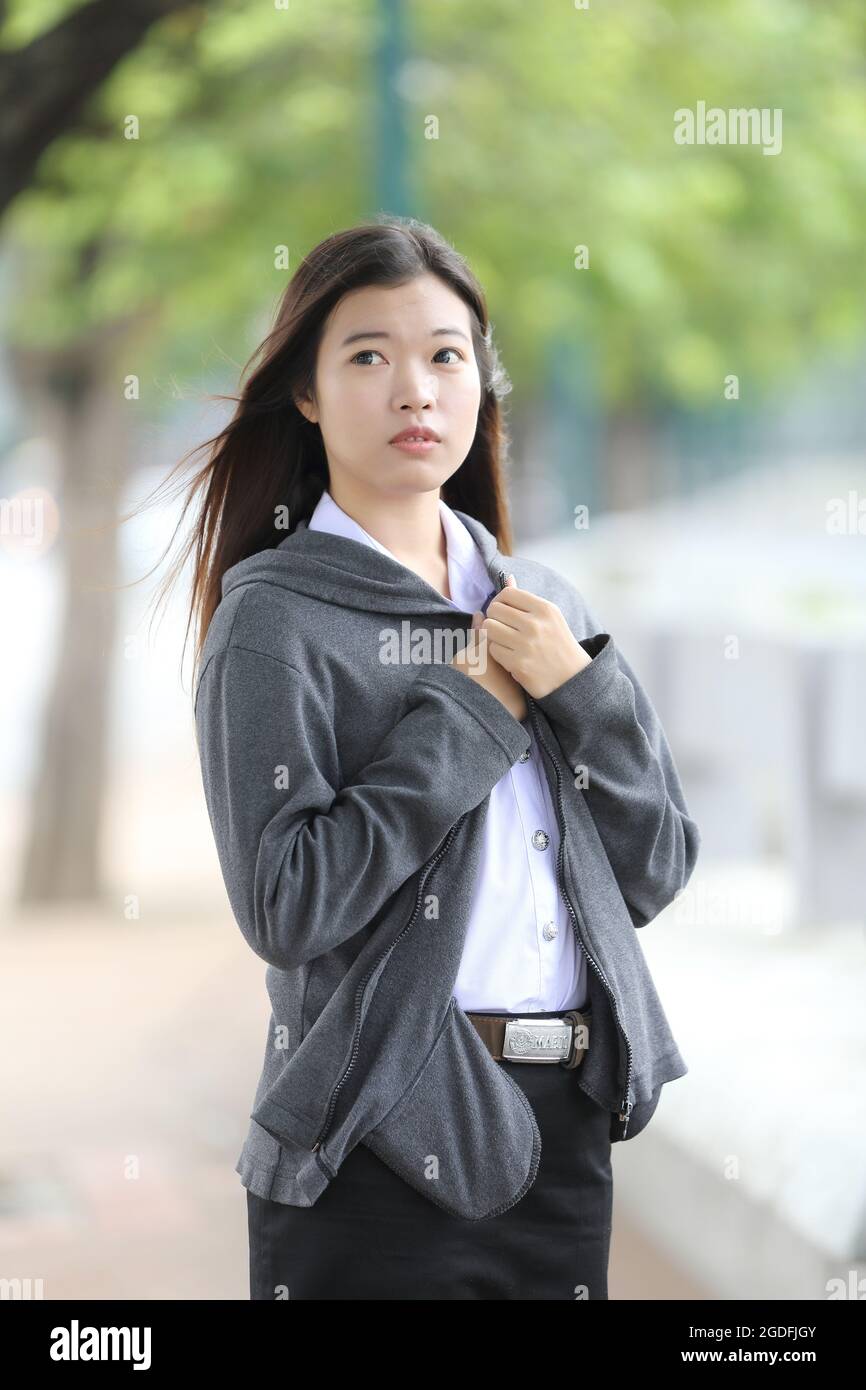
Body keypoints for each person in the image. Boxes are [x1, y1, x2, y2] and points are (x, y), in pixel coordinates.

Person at [181, 216, 700, 1300]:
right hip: (375, 1129)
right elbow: (286, 905)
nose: (414, 390)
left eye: (445, 355)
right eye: (369, 356)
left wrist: (581, 691)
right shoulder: (274, 622)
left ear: (479, 384)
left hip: (566, 1135)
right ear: (308, 392)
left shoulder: (542, 606)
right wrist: (463, 719)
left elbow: (653, 868)